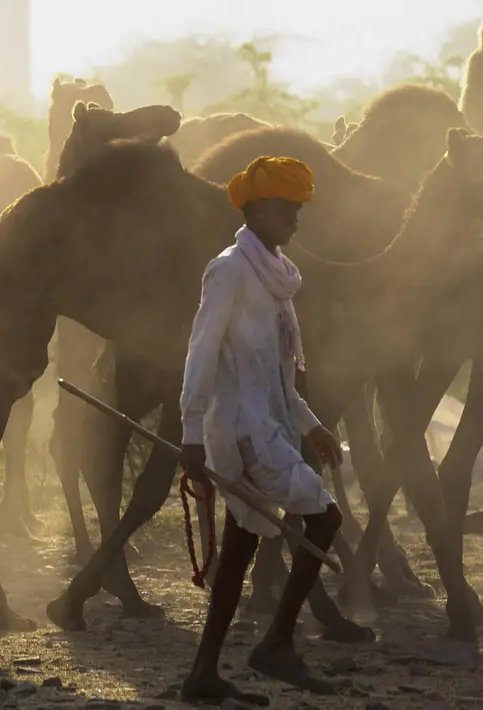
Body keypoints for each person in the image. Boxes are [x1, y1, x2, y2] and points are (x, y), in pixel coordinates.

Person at [178, 156, 349, 704]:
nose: (295, 221)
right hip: (242, 432)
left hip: (266, 423)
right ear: (255, 210)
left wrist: (312, 425)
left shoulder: (274, 279)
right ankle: (277, 642)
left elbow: (276, 376)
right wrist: (191, 435)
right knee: (324, 518)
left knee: (239, 549)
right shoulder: (229, 270)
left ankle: (203, 675)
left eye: (298, 210)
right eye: (286, 209)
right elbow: (201, 353)